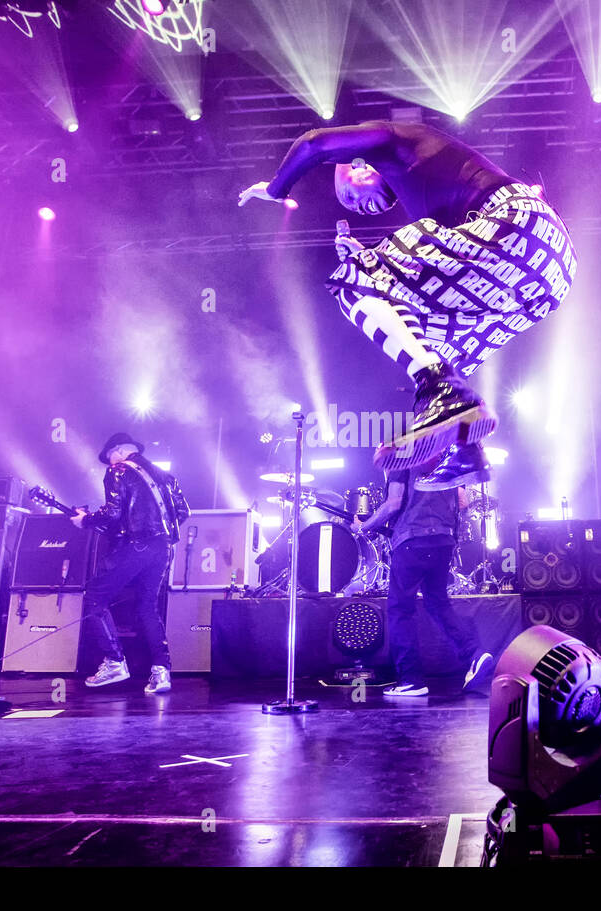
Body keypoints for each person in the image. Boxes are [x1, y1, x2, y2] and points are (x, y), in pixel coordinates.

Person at [239, 120, 576, 489]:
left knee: (351, 283)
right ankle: (467, 449)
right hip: (548, 269)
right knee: (429, 342)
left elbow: (313, 144)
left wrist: (276, 188)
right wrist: (372, 262)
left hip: (519, 224)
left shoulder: (396, 140)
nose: (362, 209)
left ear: (357, 166)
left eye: (351, 197)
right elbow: (417, 280)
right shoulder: (430, 192)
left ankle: (443, 393)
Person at [357, 458, 493, 698]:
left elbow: (393, 503)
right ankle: (474, 654)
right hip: (443, 540)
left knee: (400, 609)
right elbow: (463, 501)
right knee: (438, 603)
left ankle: (410, 680)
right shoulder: (448, 460)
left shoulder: (402, 458)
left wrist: (363, 526)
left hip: (412, 542)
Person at [71, 433, 189, 692]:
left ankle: (114, 662)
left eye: (110, 456)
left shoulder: (118, 470)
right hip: (164, 548)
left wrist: (86, 520)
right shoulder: (164, 475)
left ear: (121, 450)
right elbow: (183, 512)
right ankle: (161, 673)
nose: (109, 461)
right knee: (148, 606)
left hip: (138, 545)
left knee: (94, 596)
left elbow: (112, 512)